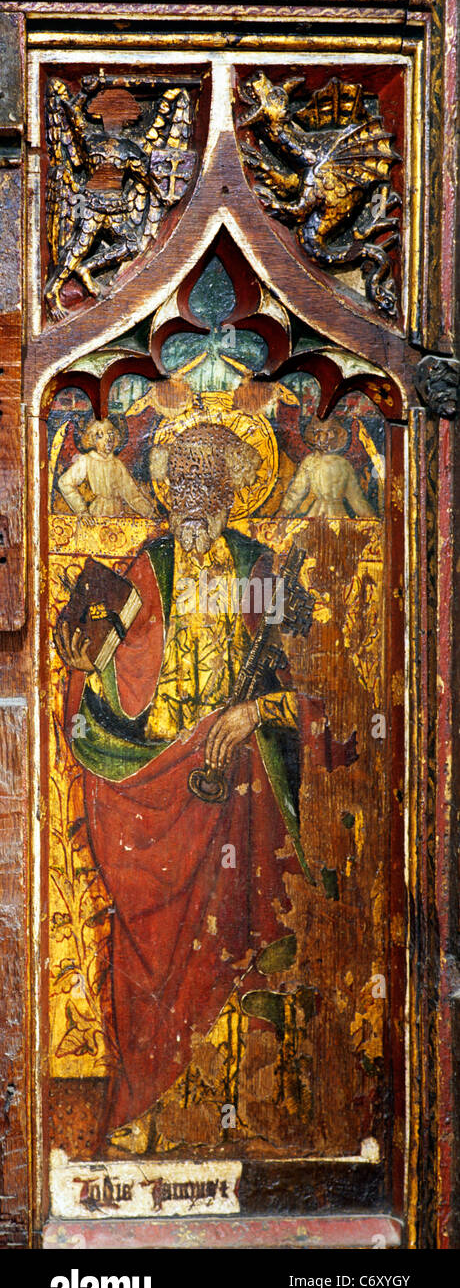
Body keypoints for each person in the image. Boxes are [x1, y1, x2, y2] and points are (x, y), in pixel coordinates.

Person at [56, 416, 356, 1143]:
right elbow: (82, 673)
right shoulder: (141, 568)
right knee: (144, 945)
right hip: (153, 783)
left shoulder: (264, 572)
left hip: (242, 788)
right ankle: (147, 1114)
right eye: (180, 481)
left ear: (232, 492)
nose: (192, 496)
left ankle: (254, 1108)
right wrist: (84, 643)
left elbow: (333, 691)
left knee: (249, 933)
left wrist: (259, 709)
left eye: (207, 481)